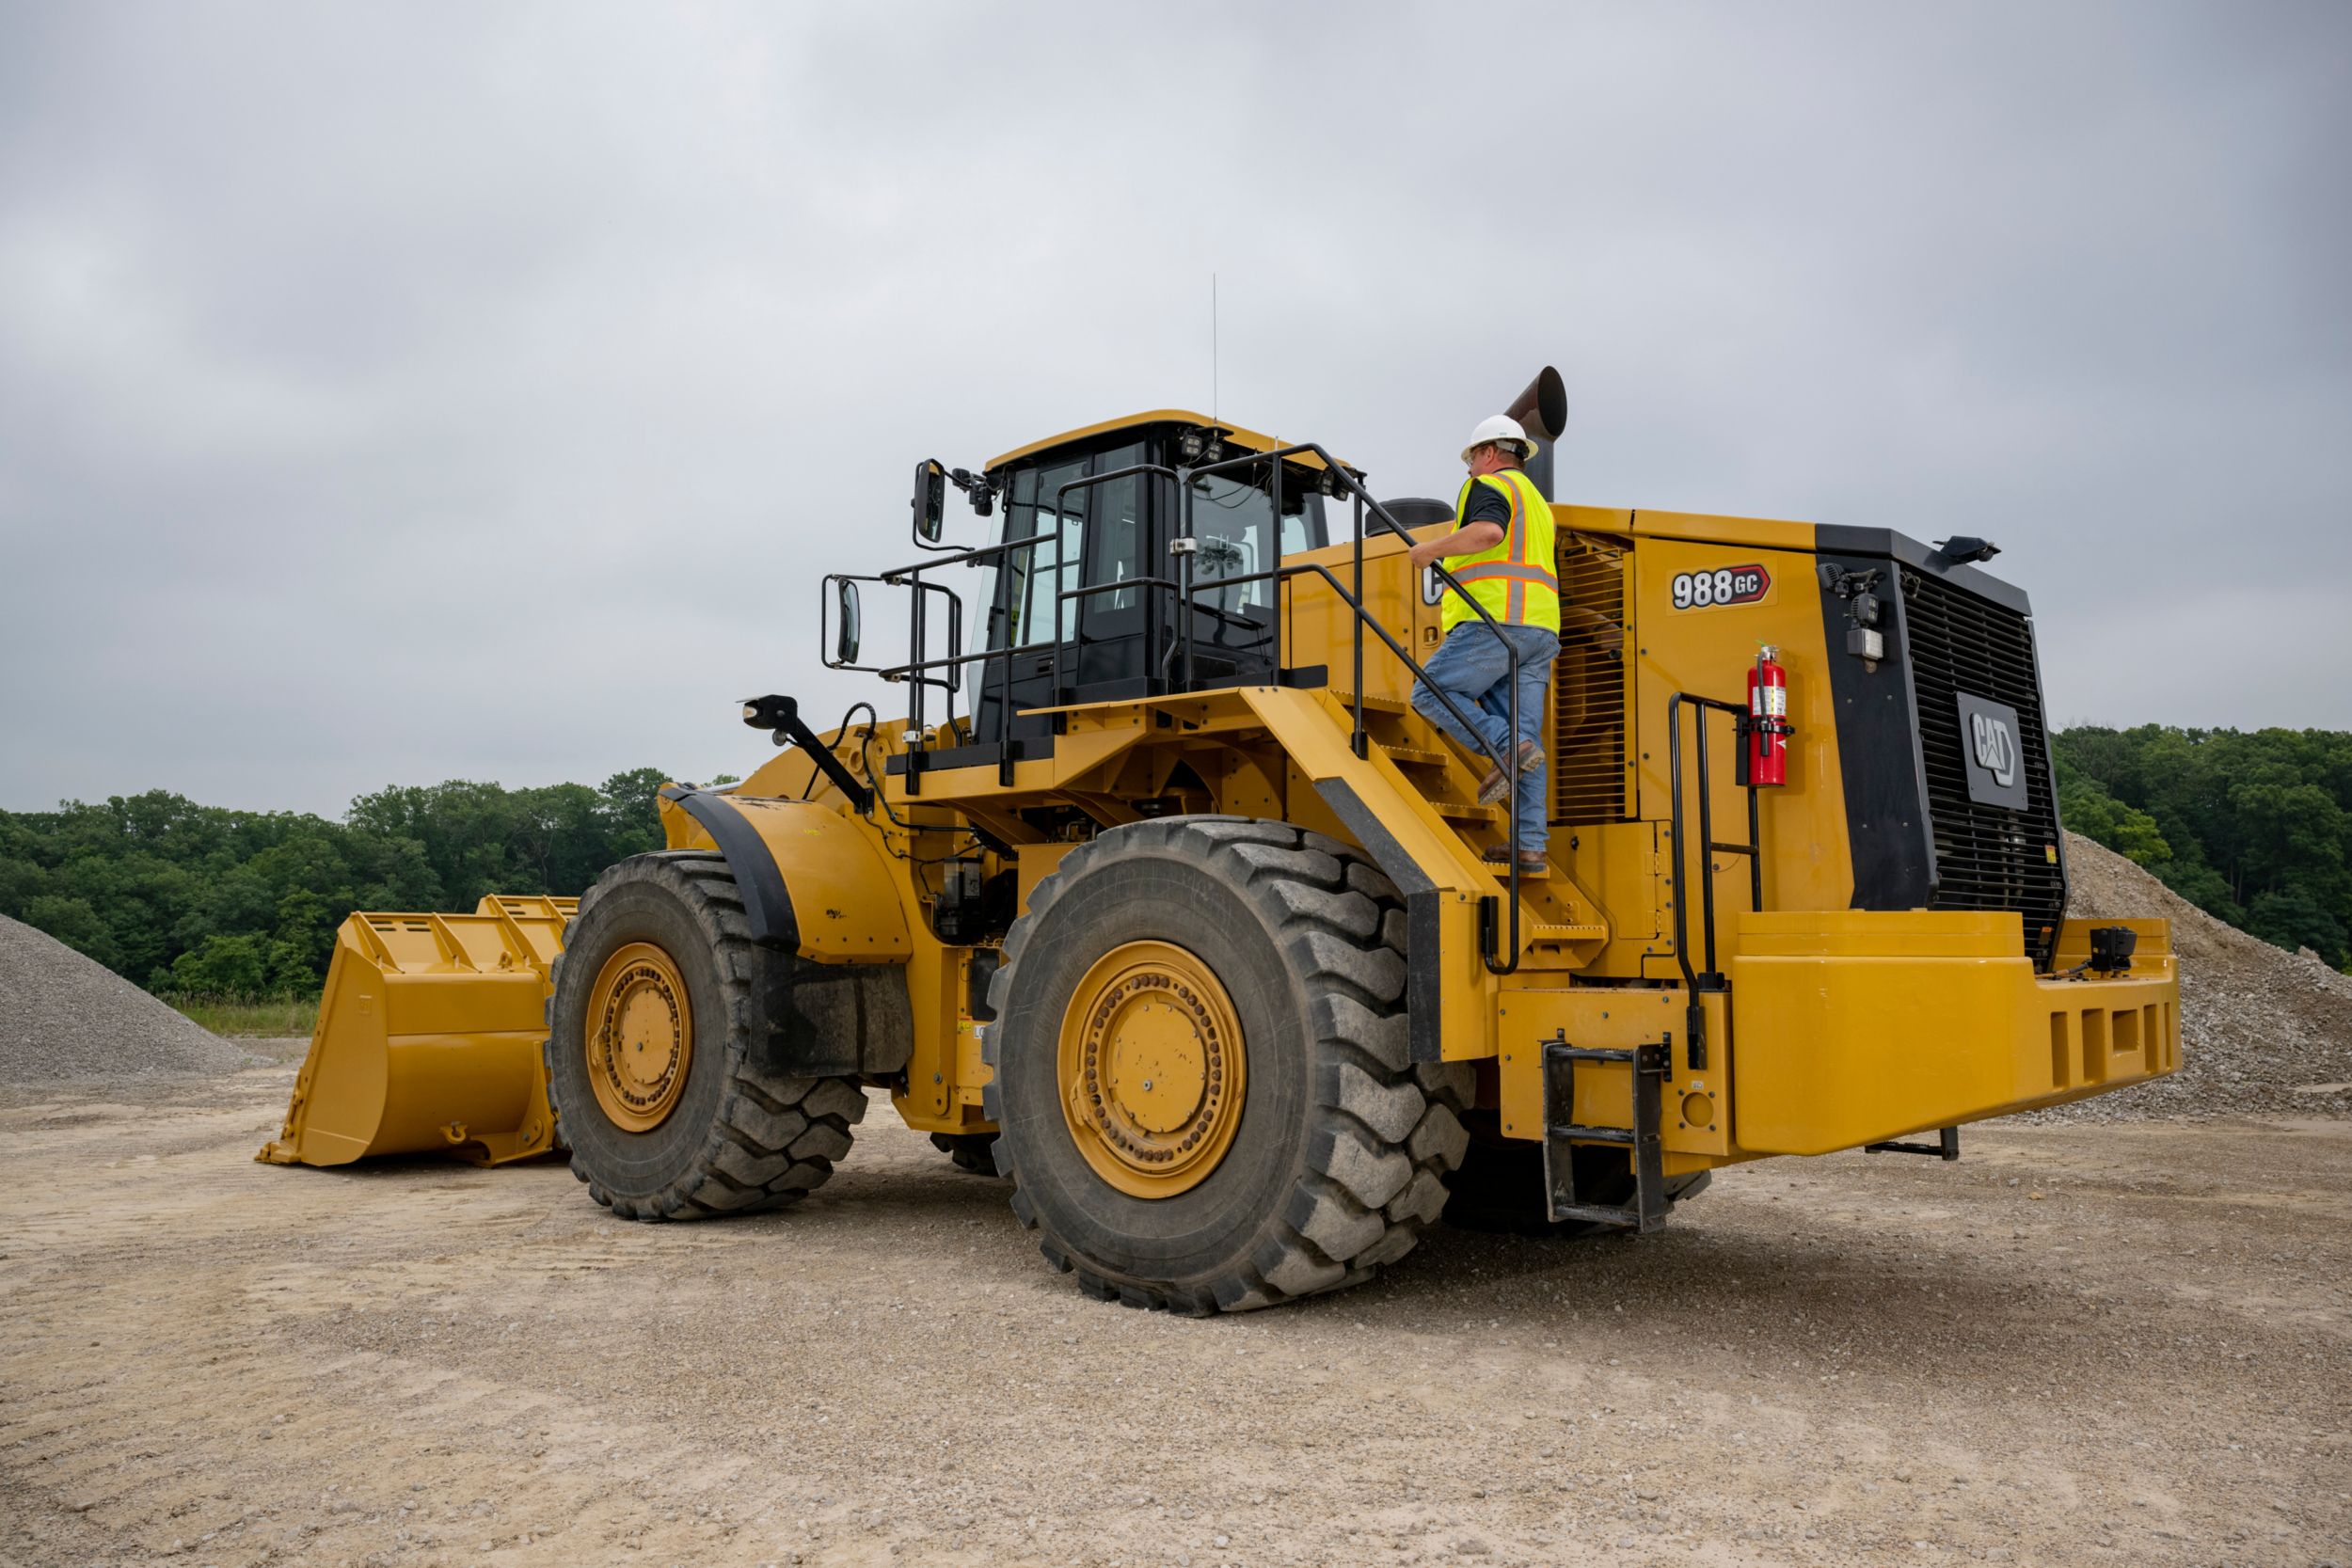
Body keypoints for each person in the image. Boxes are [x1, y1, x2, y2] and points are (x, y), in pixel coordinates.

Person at [1407, 414, 1563, 870]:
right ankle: (1530, 845)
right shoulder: (1537, 502)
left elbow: (1490, 532)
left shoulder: (1489, 486)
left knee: (1430, 691)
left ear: (1488, 454)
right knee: (1528, 737)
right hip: (1540, 632)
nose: (1470, 469)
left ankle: (1505, 746)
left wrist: (1430, 549)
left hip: (1497, 623)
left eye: (1472, 460)